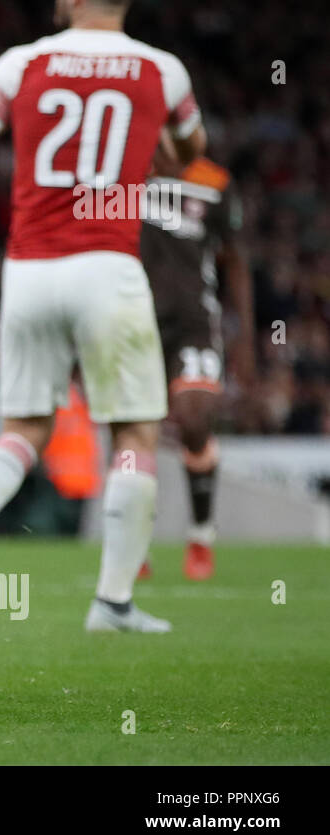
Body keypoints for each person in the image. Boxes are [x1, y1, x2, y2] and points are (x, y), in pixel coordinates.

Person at [0, 0, 206, 632]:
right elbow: (193, 152)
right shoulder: (162, 71)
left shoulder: (24, 62)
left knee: (24, 426)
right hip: (108, 267)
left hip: (30, 271)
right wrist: (160, 144)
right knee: (135, 429)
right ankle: (111, 602)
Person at [139, 147, 253, 580]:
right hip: (134, 320)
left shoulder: (214, 181)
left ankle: (201, 536)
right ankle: (135, 545)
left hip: (195, 323)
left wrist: (245, 339)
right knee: (135, 431)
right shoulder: (124, 170)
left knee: (194, 422)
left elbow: (237, 262)